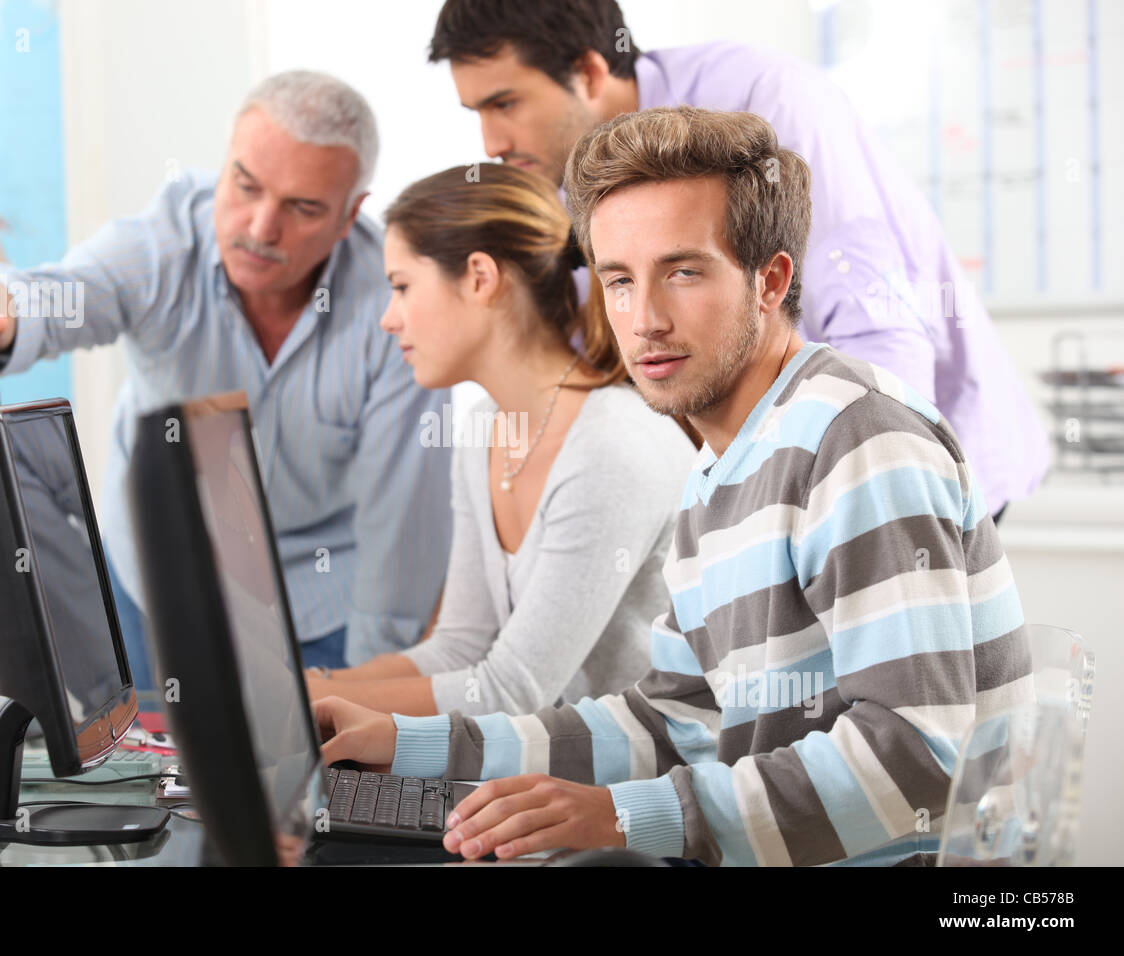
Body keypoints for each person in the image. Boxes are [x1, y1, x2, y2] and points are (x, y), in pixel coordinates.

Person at [313, 106, 1033, 866]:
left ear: (771, 281)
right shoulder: (715, 469)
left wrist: (624, 816)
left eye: (683, 272)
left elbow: (915, 753)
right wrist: (413, 743)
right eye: (620, 280)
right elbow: (670, 721)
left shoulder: (857, 437)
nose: (645, 319)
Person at [0, 71, 453, 685]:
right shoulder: (165, 243)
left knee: (326, 774)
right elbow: (55, 294)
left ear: (350, 217)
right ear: (225, 168)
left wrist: (376, 695)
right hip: (159, 585)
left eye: (302, 208)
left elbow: (398, 531)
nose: (261, 228)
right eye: (245, 186)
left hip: (317, 601)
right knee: (149, 776)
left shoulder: (394, 303)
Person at [428, 0, 1048, 523]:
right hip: (756, 484)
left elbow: (878, 331)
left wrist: (873, 502)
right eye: (476, 112)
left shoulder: (764, 102)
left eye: (504, 104)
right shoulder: (567, 182)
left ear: (588, 71)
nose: (491, 142)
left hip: (902, 454)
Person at [304, 163, 695, 716]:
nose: (388, 319)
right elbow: (460, 647)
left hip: (642, 788)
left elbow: (509, 691)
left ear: (480, 277)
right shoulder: (485, 428)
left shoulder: (612, 445)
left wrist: (308, 701)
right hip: (548, 770)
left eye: (401, 287)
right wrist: (315, 686)